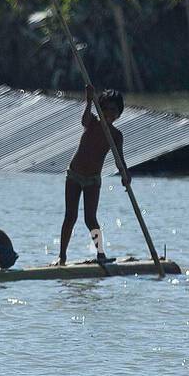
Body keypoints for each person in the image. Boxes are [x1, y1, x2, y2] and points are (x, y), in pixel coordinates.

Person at [58, 85, 129, 265]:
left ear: (118, 113)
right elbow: (83, 120)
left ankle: (100, 254)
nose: (109, 113)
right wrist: (89, 100)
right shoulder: (92, 122)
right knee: (70, 217)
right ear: (101, 109)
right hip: (74, 175)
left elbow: (120, 159)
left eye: (114, 110)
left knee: (90, 219)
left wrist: (125, 175)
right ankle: (62, 256)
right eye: (105, 109)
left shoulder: (116, 135)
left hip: (92, 180)